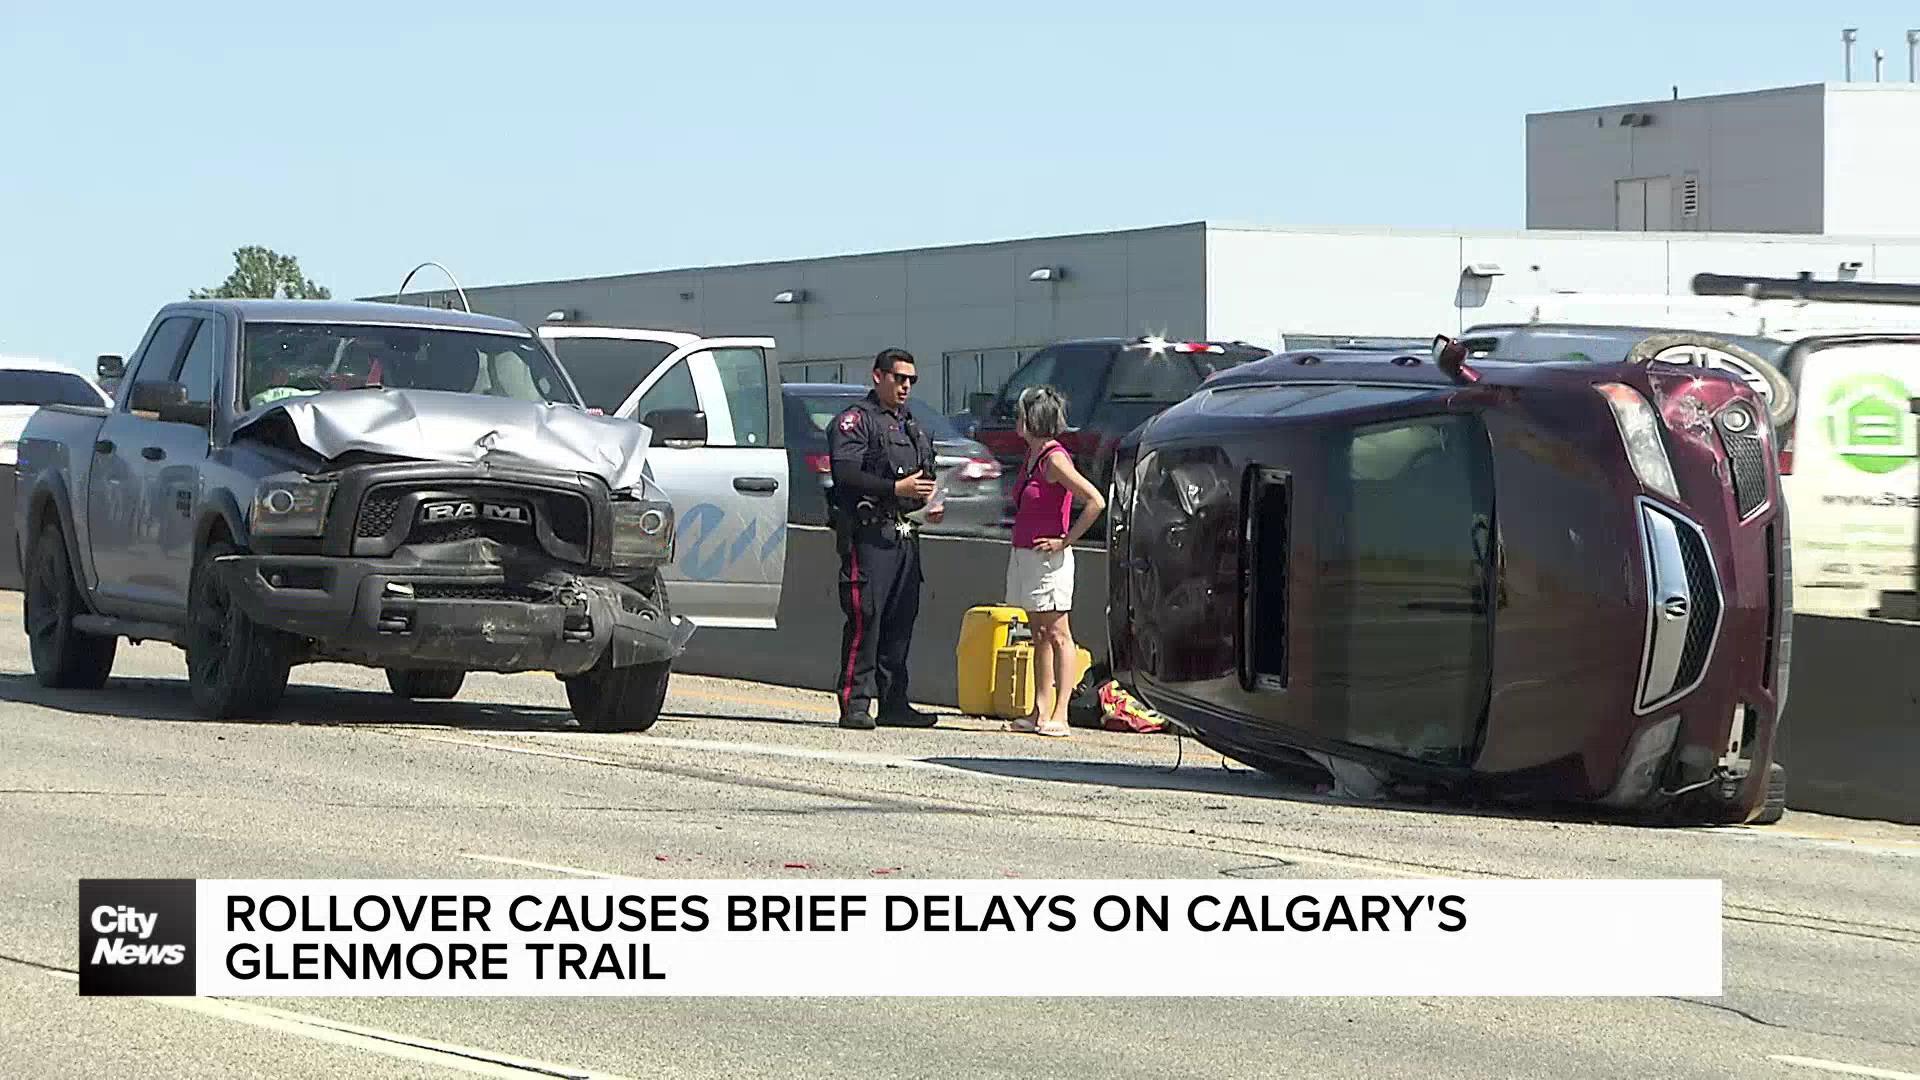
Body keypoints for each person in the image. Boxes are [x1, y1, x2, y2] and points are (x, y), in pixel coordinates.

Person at [826, 347, 944, 730]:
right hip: (869, 533)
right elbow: (846, 474)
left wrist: (928, 501)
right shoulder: (856, 421)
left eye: (911, 380)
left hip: (905, 533)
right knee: (867, 617)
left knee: (900, 620)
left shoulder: (912, 426)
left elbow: (926, 474)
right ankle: (855, 704)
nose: (905, 386)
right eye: (899, 378)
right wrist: (895, 488)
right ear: (878, 376)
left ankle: (894, 703)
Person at [1004, 386, 1105, 737]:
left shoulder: (1055, 459)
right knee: (1039, 633)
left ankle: (1061, 712)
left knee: (1059, 633)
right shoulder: (1033, 456)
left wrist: (1065, 540)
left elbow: (1094, 500)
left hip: (1049, 559)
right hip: (1026, 553)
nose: (1016, 420)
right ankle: (1040, 709)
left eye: (1021, 414)